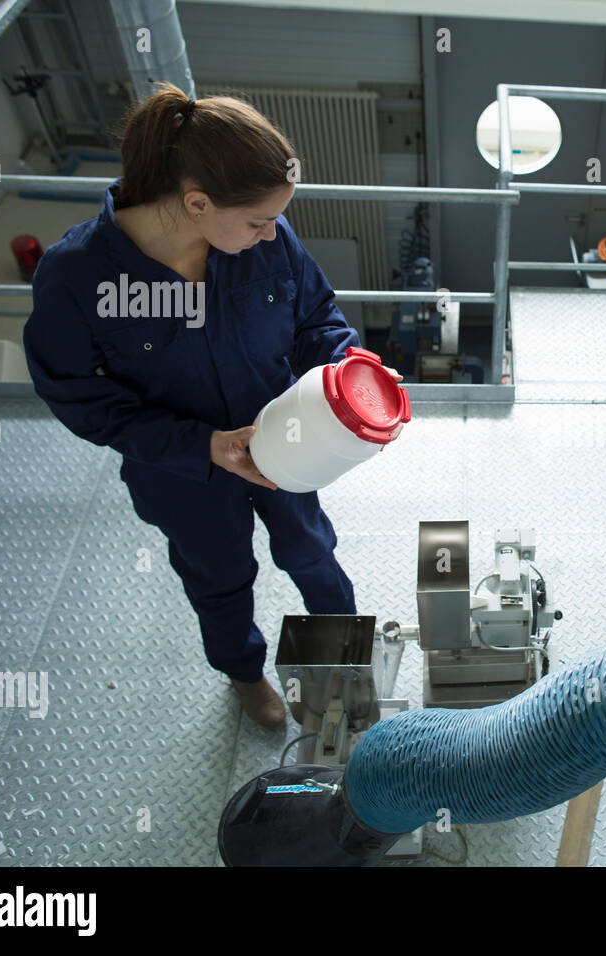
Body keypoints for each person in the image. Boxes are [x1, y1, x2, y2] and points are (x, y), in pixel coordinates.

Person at [23, 83, 398, 727]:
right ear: (197, 203)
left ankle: (343, 663)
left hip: (284, 440)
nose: (270, 233)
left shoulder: (265, 241)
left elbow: (316, 317)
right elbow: (77, 395)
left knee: (310, 549)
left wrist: (350, 369)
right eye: (256, 221)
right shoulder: (76, 277)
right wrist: (201, 445)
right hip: (183, 473)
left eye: (275, 219)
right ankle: (245, 676)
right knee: (220, 577)